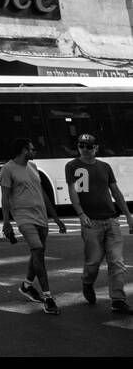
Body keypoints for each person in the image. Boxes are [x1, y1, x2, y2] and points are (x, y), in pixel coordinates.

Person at [64, 134, 131, 315]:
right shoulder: (72, 166)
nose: (84, 149)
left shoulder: (105, 167)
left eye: (88, 146)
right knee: (93, 261)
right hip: (90, 222)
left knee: (117, 261)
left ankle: (118, 300)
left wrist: (128, 216)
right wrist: (80, 213)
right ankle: (87, 282)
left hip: (111, 219)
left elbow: (115, 192)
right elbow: (73, 190)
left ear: (96, 148)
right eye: (81, 145)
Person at [1, 137, 67, 314]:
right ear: (23, 150)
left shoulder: (33, 167)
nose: (34, 152)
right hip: (24, 217)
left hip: (41, 217)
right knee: (38, 252)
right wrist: (6, 223)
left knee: (37, 253)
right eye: (32, 149)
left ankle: (26, 286)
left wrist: (56, 218)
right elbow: (5, 198)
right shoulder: (7, 169)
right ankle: (48, 297)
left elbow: (43, 194)